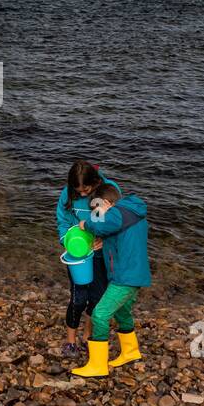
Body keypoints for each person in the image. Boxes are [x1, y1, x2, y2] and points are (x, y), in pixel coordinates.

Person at [71, 182, 150, 377]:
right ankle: (131, 352)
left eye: (97, 209)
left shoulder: (116, 213)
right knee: (122, 312)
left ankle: (98, 365)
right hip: (134, 274)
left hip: (125, 277)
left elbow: (99, 223)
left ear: (106, 203)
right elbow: (120, 235)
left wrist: (85, 224)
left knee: (100, 315)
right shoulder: (131, 212)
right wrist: (103, 242)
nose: (97, 213)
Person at [55, 160, 120, 356]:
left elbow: (116, 221)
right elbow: (63, 221)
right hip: (78, 254)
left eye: (87, 190)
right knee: (77, 299)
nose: (82, 194)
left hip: (100, 255)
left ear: (96, 182)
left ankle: (86, 336)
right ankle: (70, 341)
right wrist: (66, 240)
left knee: (97, 298)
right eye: (78, 191)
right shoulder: (68, 194)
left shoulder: (108, 191)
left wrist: (104, 239)